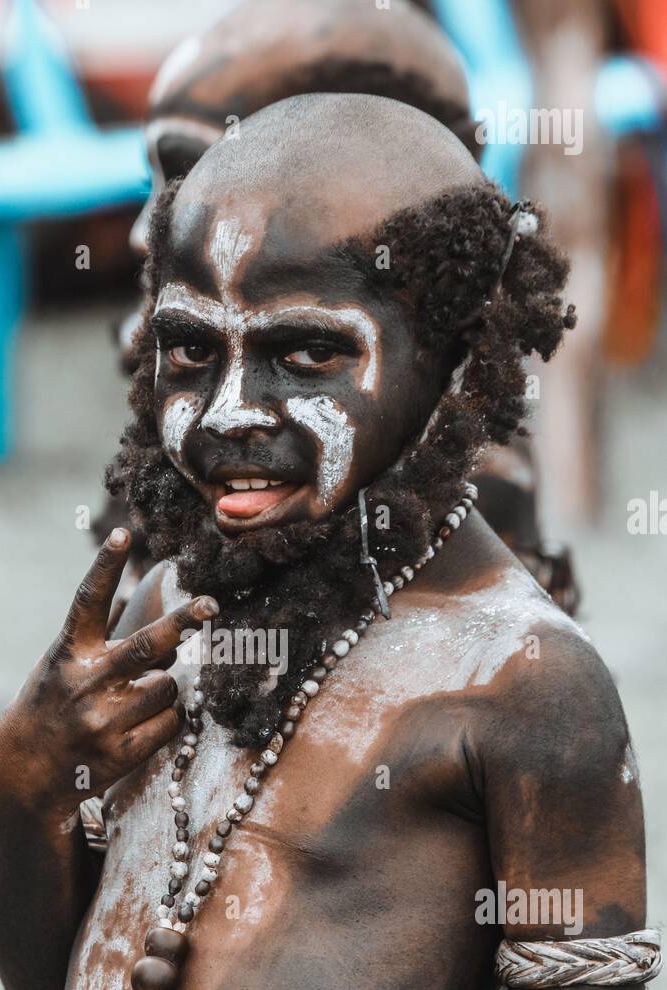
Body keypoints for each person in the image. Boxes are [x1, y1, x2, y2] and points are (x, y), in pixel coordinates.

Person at [0, 95, 656, 990]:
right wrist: (25, 791)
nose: (232, 411)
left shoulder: (515, 678)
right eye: (192, 349)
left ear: (450, 351)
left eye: (305, 354)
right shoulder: (160, 619)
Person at [97, 0, 577, 619]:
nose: (144, 232)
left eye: (190, 173)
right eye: (194, 348)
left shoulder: (469, 577)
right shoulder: (189, 478)